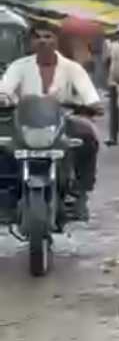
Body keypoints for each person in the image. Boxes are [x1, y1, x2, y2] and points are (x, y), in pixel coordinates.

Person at [0, 20, 103, 215]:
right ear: (31, 43)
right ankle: (6, 195)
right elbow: (4, 90)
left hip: (63, 123)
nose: (43, 41)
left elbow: (89, 96)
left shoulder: (73, 68)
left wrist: (92, 105)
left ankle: (78, 192)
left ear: (57, 40)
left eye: (48, 36)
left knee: (88, 136)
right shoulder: (18, 67)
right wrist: (4, 99)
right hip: (24, 124)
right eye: (37, 37)